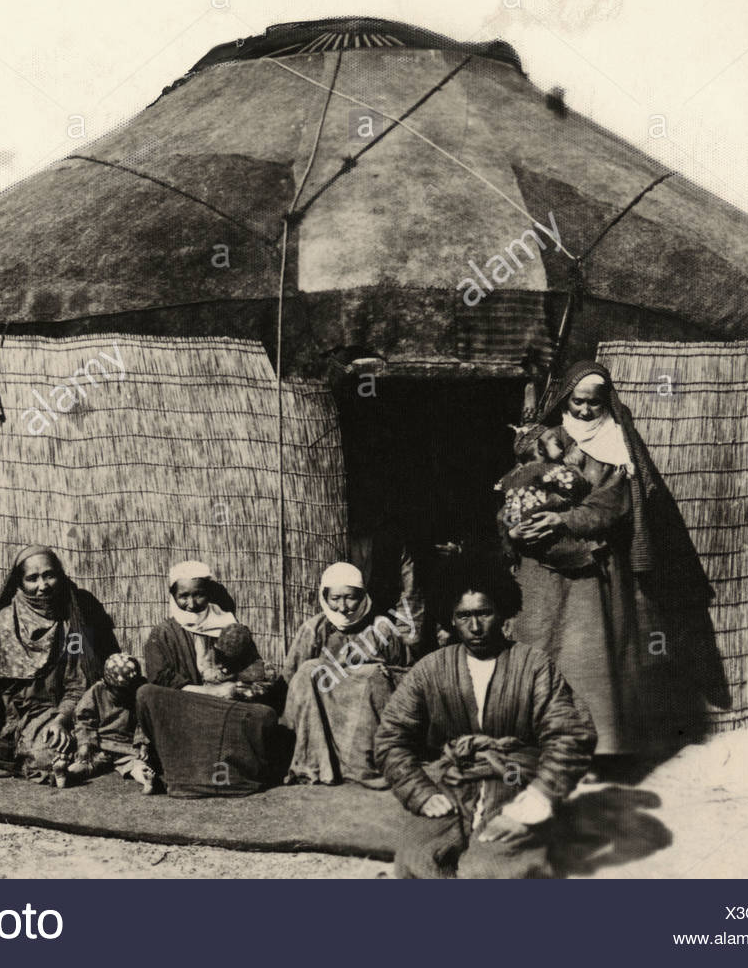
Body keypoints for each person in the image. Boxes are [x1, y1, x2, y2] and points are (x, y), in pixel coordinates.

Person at [506, 360, 712, 761]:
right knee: (542, 646)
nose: (584, 411)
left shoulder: (617, 444)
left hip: (595, 569)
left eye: (593, 404)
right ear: (566, 399)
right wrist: (514, 526)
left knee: (590, 657)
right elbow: (520, 485)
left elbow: (612, 505)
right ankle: (543, 741)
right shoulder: (549, 438)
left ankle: (597, 746)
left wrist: (562, 518)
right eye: (578, 402)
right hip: (544, 569)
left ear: (606, 404)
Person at [375, 555, 596, 878]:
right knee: (416, 861)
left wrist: (538, 798)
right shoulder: (431, 669)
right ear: (451, 618)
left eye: (484, 613)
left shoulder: (533, 665)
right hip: (453, 781)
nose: (475, 627)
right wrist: (420, 793)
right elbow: (391, 737)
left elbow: (570, 734)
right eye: (464, 616)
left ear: (503, 612)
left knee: (491, 868)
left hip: (516, 781)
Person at [0, 546, 119, 785]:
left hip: (52, 711)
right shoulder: (4, 622)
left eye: (49, 575)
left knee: (45, 754)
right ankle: (34, 757)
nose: (43, 585)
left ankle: (47, 755)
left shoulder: (71, 624)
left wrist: (61, 720)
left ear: (60, 575)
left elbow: (78, 685)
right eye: (32, 578)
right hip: (10, 715)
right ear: (20, 582)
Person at [135, 561, 288, 798]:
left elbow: (256, 673)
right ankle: (189, 776)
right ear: (172, 595)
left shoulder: (229, 627)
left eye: (199, 595)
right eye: (183, 596)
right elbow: (160, 678)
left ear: (209, 594)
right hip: (185, 710)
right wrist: (210, 692)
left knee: (264, 716)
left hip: (223, 710)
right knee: (146, 693)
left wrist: (236, 689)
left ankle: (228, 776)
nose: (192, 603)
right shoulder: (162, 634)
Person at [280, 562, 414, 788]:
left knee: (372, 674)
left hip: (363, 717)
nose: (343, 607)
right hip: (320, 716)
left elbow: (407, 675)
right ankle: (315, 762)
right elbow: (292, 679)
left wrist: (382, 672)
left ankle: (364, 762)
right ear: (325, 597)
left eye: (350, 597)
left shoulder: (381, 629)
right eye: (335, 598)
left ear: (362, 596)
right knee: (308, 670)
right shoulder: (314, 629)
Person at [495, 424, 593, 571]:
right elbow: (577, 484)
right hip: (546, 534)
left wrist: (512, 532)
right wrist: (573, 465)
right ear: (541, 449)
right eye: (553, 439)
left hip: (523, 534)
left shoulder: (512, 475)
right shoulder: (544, 469)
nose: (558, 442)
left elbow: (509, 510)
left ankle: (511, 555)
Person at [71, 653, 157, 792]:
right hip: (100, 744)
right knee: (85, 762)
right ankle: (67, 774)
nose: (124, 694)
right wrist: (85, 743)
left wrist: (143, 745)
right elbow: (84, 718)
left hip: (128, 747)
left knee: (138, 764)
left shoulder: (140, 692)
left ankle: (145, 778)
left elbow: (145, 721)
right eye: (119, 691)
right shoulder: (97, 690)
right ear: (106, 684)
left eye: (127, 690)